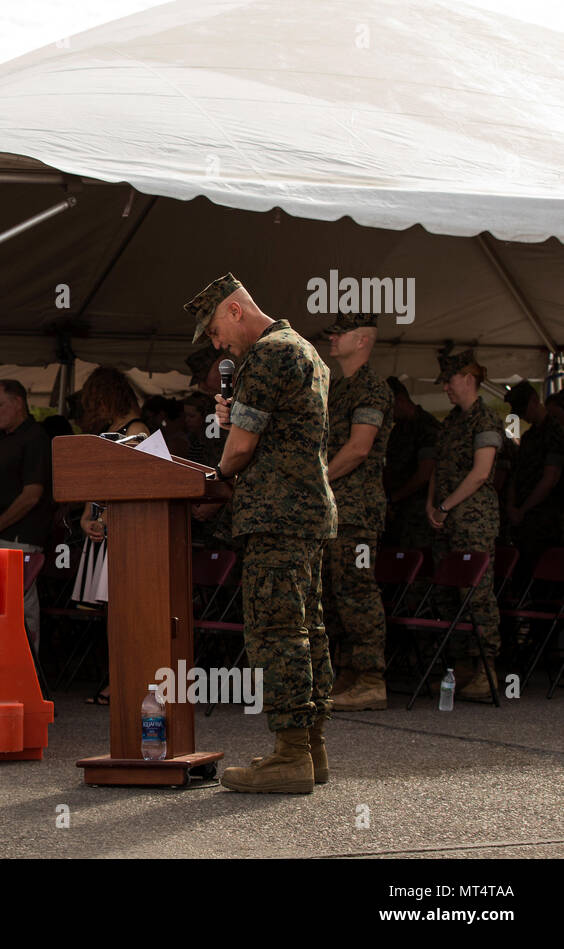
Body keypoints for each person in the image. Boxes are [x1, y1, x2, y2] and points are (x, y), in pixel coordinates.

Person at [190, 272, 336, 794]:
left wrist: (216, 475)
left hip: (277, 516)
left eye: (213, 331)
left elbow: (242, 450)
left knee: (276, 634)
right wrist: (235, 422)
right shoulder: (306, 351)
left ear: (234, 310)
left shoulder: (270, 354)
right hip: (304, 514)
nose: (217, 344)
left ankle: (290, 755)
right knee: (305, 630)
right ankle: (310, 749)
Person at [319, 312, 393, 712]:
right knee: (335, 592)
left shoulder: (371, 388)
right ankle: (347, 671)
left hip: (357, 509)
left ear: (362, 340)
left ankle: (371, 678)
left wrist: (320, 480)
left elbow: (360, 447)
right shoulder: (339, 386)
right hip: (336, 508)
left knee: (357, 591)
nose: (332, 339)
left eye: (340, 333)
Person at [428, 350, 503, 700]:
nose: (445, 387)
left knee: (476, 596)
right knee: (447, 595)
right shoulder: (451, 423)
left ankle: (486, 668)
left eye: (450, 380)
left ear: (469, 379)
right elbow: (438, 467)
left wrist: (444, 505)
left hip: (473, 520)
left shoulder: (484, 420)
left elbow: (481, 473)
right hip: (446, 520)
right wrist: (433, 504)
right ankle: (461, 665)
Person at [0, 379, 53, 656]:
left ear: (18, 403)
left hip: (19, 538)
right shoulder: (4, 438)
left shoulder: (35, 438)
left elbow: (32, 494)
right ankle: (3, 667)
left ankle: (27, 671)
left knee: (18, 608)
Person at [71, 368, 152, 611]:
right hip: (103, 529)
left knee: (121, 607)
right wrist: (87, 517)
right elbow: (98, 481)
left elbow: (137, 485)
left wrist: (104, 517)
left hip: (123, 530)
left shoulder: (136, 430)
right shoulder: (110, 429)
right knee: (100, 612)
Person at [503, 380, 564, 592]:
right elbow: (516, 474)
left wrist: (522, 509)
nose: (521, 416)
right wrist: (512, 506)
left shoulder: (555, 433)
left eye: (522, 409)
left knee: (546, 586)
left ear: (533, 401)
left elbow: (550, 479)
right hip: (525, 521)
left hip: (546, 521)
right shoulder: (529, 437)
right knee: (523, 582)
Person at [382, 377, 439, 551]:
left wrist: (394, 498)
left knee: (415, 566)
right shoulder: (399, 429)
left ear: (399, 400)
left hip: (418, 514)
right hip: (398, 512)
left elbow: (425, 473)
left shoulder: (427, 427)